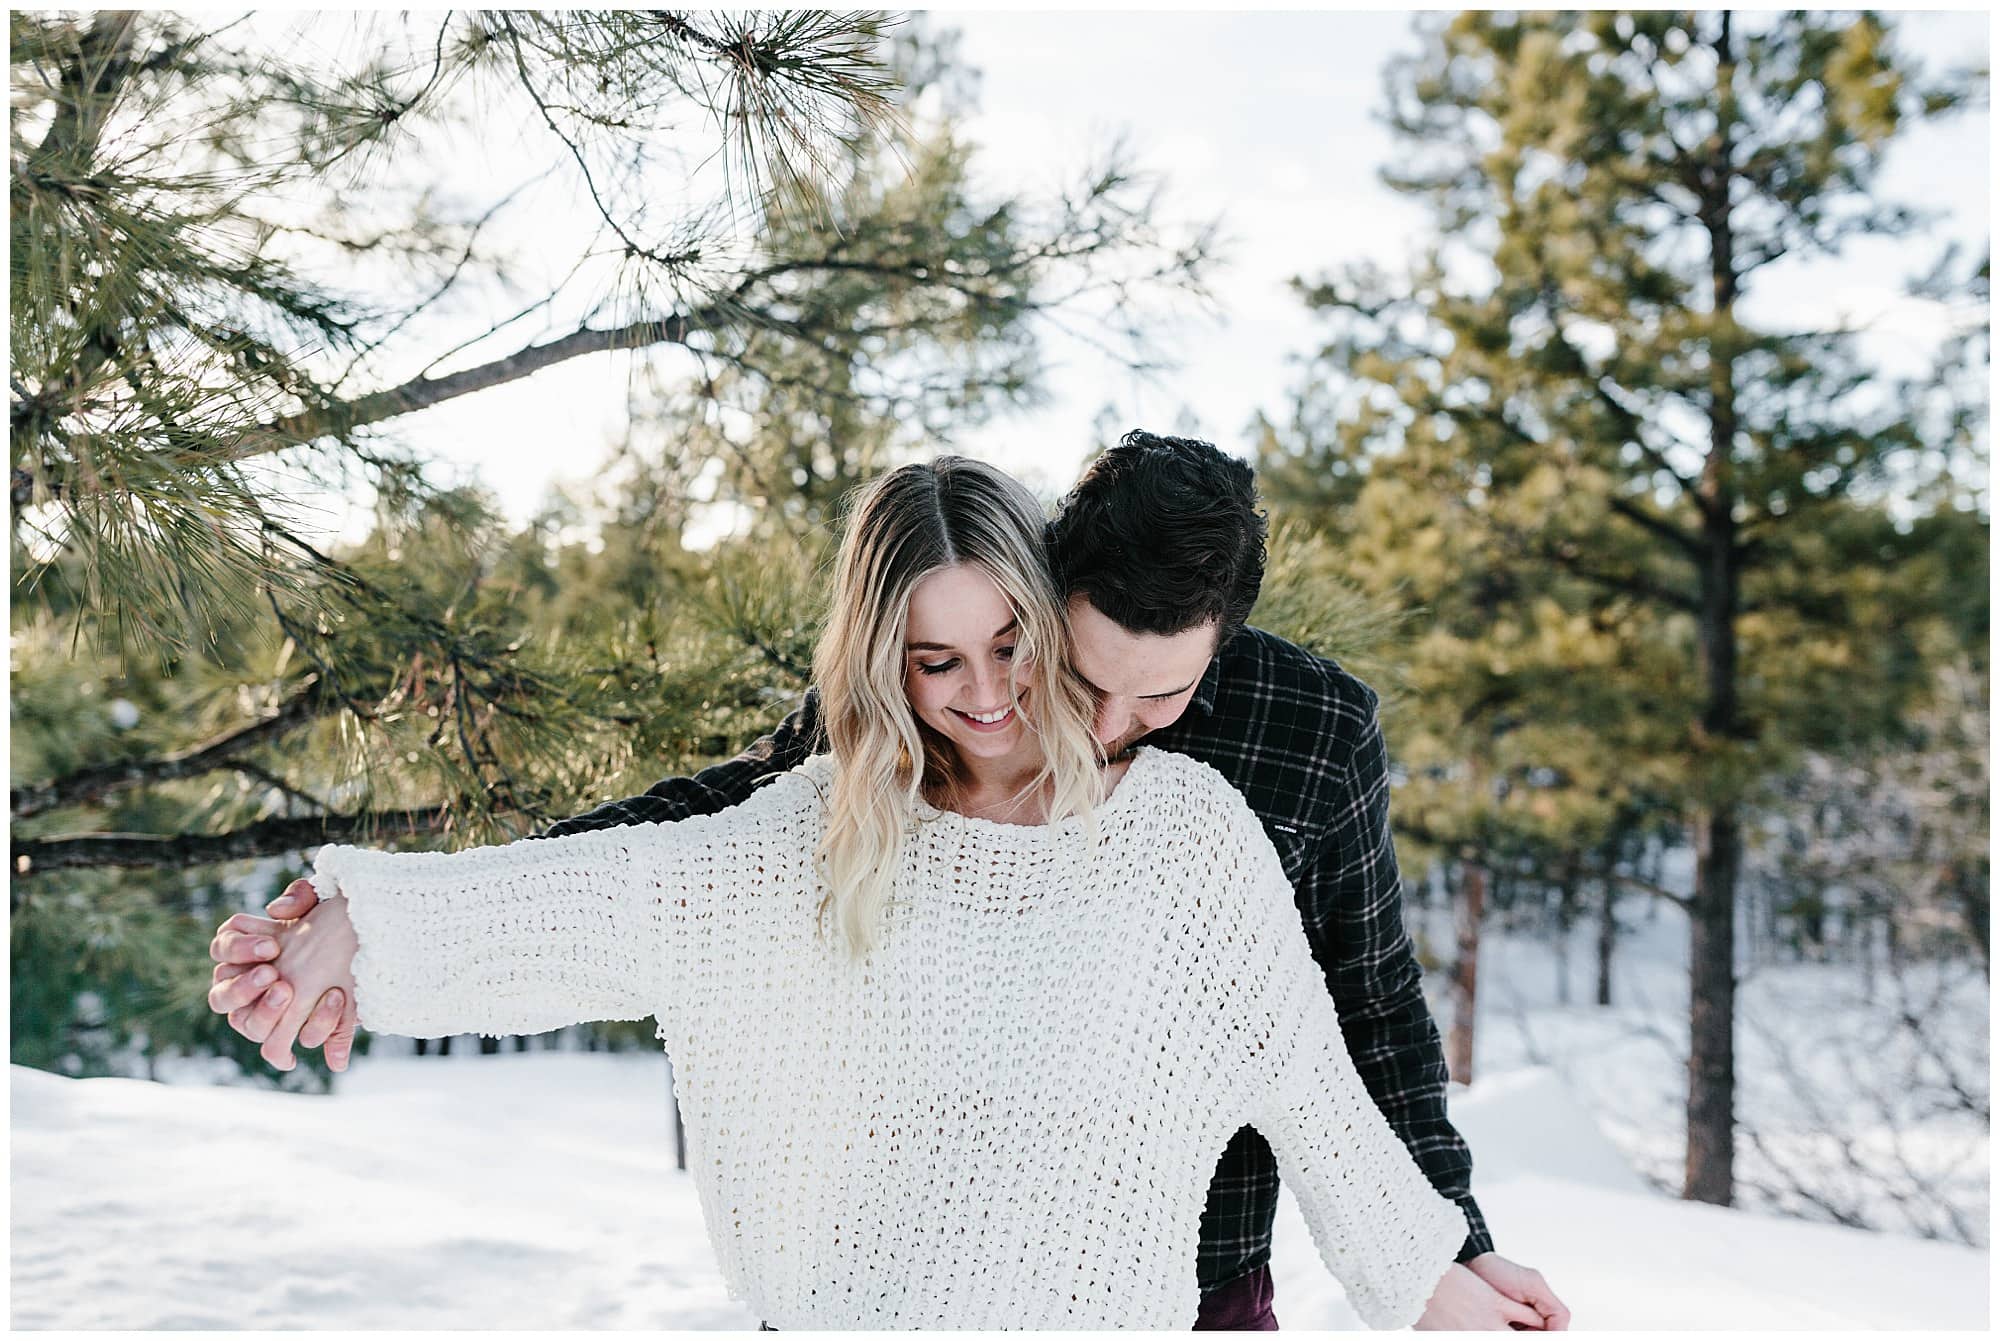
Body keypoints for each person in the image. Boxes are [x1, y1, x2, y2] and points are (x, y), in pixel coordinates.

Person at [210, 435, 1571, 1331]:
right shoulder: (843, 817)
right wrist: (358, 928)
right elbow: (628, 885)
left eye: (1152, 694)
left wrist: (1445, 1269)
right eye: (948, 661)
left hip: (1184, 1276)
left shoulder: (1216, 814)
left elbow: (1343, 1046)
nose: (1010, 702)